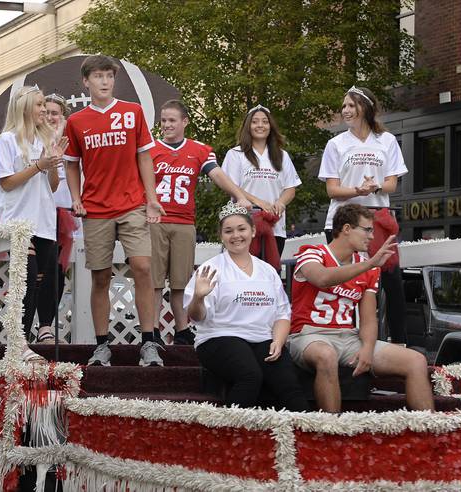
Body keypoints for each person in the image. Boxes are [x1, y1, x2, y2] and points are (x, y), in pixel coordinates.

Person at [63, 55, 164, 366]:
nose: (104, 81)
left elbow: (145, 158)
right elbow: (71, 163)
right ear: (86, 82)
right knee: (101, 276)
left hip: (132, 203)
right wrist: (76, 197)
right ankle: (102, 344)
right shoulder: (76, 121)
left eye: (109, 76)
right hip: (95, 208)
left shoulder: (132, 112)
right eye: (98, 76)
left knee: (142, 267)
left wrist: (151, 197)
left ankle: (148, 341)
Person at [290, 204, 433, 412]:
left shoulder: (367, 267)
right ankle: (332, 432)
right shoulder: (312, 253)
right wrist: (370, 264)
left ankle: (429, 434)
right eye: (367, 230)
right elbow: (321, 278)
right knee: (326, 355)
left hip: (348, 337)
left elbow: (368, 319)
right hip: (308, 334)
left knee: (416, 361)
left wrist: (367, 349)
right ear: (346, 229)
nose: (372, 236)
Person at [183, 202, 309, 411]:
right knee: (250, 375)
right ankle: (230, 434)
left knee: (289, 385)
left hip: (262, 338)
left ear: (252, 231)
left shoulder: (267, 270)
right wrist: (198, 297)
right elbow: (197, 317)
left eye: (241, 229)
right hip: (220, 337)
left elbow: (282, 313)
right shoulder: (211, 268)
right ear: (221, 236)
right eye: (228, 231)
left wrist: (278, 341)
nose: (236, 236)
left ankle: (308, 437)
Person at [149, 99, 252, 345]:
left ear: (185, 121)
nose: (167, 125)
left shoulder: (199, 150)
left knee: (180, 281)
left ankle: (182, 329)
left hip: (184, 221)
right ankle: (151, 329)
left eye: (172, 120)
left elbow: (216, 174)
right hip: (155, 220)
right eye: (163, 120)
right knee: (153, 281)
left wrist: (239, 195)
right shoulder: (150, 149)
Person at [318, 86, 409, 345]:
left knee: (391, 279)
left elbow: (392, 184)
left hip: (377, 220)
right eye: (344, 106)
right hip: (342, 221)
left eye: (350, 105)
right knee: (346, 280)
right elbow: (332, 189)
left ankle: (399, 342)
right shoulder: (336, 144)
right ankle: (343, 338)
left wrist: (375, 187)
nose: (345, 110)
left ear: (365, 108)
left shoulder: (387, 140)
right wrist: (357, 190)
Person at [0, 85, 65, 342]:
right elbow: (7, 182)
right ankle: (18, 340)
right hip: (18, 221)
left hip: (44, 221)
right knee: (28, 277)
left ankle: (28, 339)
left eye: (45, 105)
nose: (44, 110)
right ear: (23, 107)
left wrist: (54, 163)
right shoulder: (7, 140)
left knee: (39, 281)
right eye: (39, 105)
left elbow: (53, 186)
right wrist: (39, 165)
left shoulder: (45, 141)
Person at [222, 105, 301, 264]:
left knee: (271, 273)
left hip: (275, 227)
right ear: (248, 126)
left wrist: (281, 202)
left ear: (270, 126)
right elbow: (230, 186)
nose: (260, 125)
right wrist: (258, 202)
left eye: (265, 122)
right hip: (244, 226)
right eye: (255, 122)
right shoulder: (236, 154)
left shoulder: (281, 155)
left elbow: (290, 188)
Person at [34, 93, 78, 344]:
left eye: (55, 113)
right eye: (46, 111)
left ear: (63, 116)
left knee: (61, 270)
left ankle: (50, 324)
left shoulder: (71, 142)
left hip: (68, 212)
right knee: (39, 270)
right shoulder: (32, 140)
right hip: (41, 211)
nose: (50, 116)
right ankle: (39, 325)